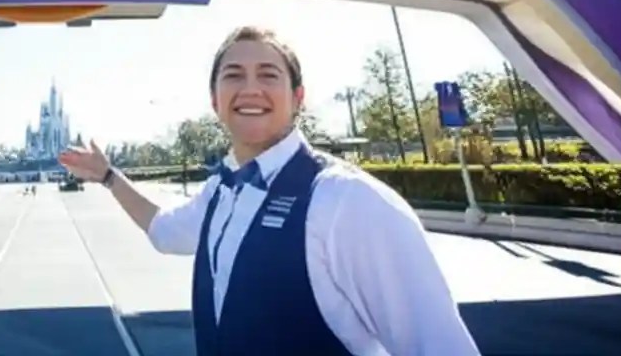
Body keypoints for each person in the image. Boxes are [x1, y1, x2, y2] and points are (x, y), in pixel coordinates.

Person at [59, 25, 480, 356]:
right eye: (234, 75)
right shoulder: (221, 192)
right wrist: (109, 177)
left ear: (298, 97)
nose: (250, 89)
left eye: (268, 74)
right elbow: (164, 230)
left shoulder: (346, 201)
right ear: (215, 100)